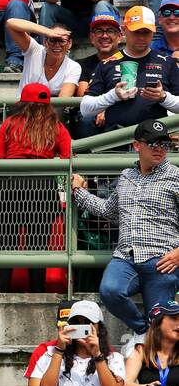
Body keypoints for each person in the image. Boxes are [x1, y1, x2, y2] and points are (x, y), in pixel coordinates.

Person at [71, 119, 179, 335]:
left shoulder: (176, 177)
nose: (160, 149)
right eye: (153, 143)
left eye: (164, 144)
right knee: (110, 291)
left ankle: (153, 341)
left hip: (163, 259)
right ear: (137, 145)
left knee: (162, 324)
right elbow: (107, 210)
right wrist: (78, 192)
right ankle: (144, 332)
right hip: (125, 257)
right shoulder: (126, 176)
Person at [0, 83, 73, 294]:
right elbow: (69, 155)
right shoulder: (56, 125)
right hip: (43, 186)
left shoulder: (10, 122)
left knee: (6, 245)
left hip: (11, 184)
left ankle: (1, 292)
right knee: (39, 246)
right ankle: (37, 292)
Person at [78, 8, 179, 136]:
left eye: (146, 32)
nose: (141, 37)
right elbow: (85, 109)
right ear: (124, 30)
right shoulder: (107, 63)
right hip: (115, 140)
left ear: (153, 32)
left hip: (154, 141)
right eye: (136, 32)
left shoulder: (167, 62)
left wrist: (163, 97)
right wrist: (113, 95)